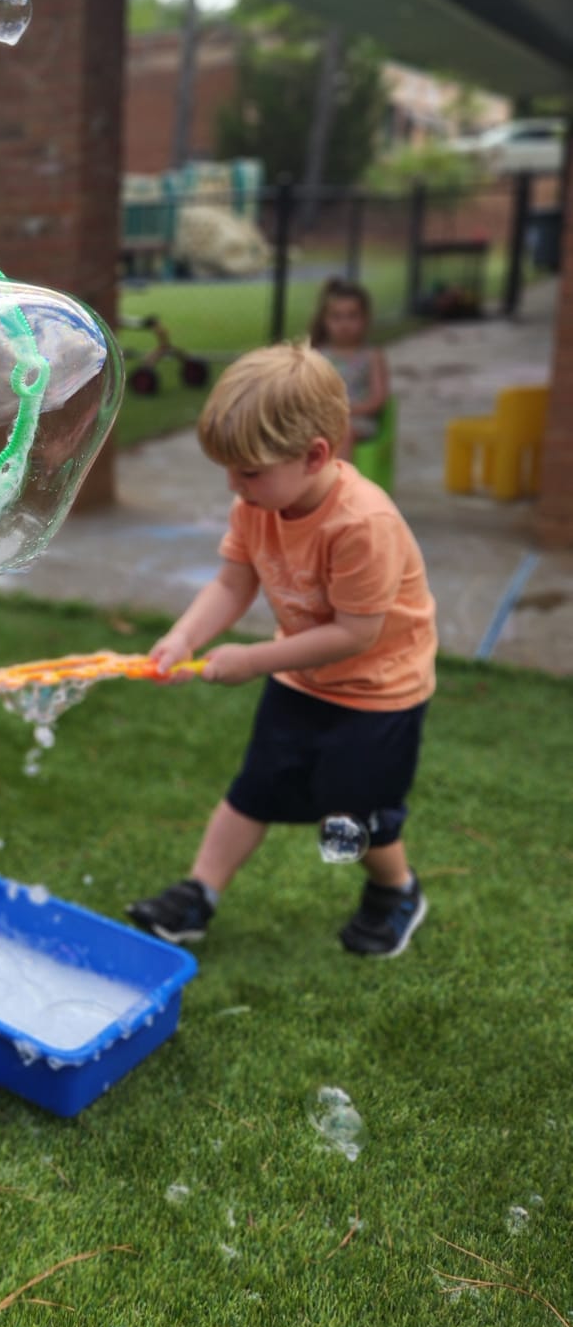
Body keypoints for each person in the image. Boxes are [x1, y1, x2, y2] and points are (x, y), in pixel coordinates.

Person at [126, 341, 435, 960]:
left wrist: (249, 660)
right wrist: (185, 637)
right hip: (302, 677)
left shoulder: (361, 525)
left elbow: (356, 634)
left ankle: (395, 889)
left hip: (378, 692)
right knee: (257, 786)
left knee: (351, 813)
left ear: (315, 454)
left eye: (249, 471)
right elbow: (231, 584)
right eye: (230, 471)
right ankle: (199, 892)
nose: (235, 487)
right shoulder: (256, 504)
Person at [309, 277, 388, 459]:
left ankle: (340, 484)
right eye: (336, 317)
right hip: (323, 418)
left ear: (365, 319)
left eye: (352, 316)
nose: (344, 324)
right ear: (325, 320)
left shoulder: (371, 356)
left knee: (343, 432)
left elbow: (378, 399)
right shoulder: (318, 355)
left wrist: (348, 410)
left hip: (356, 420)